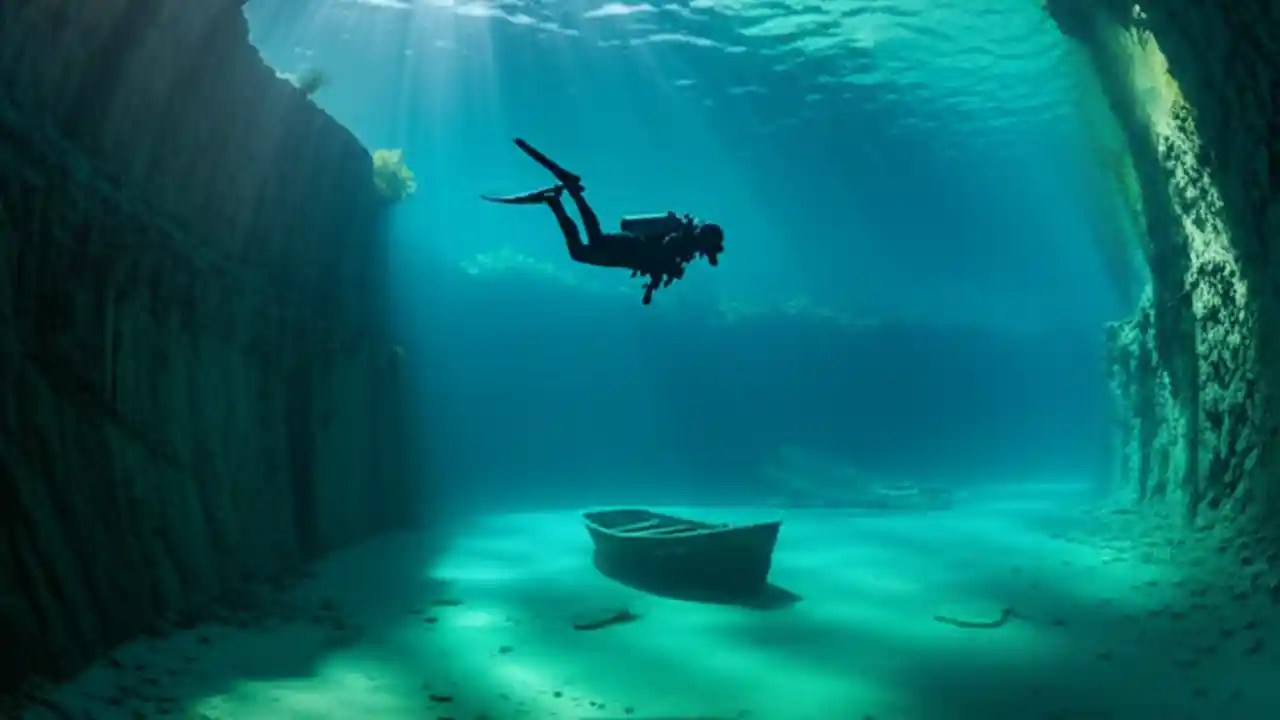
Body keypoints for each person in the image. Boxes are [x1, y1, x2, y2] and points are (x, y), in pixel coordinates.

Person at [483, 139, 725, 305]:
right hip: (631, 250)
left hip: (630, 253)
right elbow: (662, 254)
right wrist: (661, 274)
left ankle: (559, 199)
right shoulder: (684, 241)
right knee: (590, 243)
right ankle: (568, 194)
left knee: (583, 249)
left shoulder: (688, 244)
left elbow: (661, 262)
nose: (710, 252)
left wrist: (652, 288)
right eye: (711, 247)